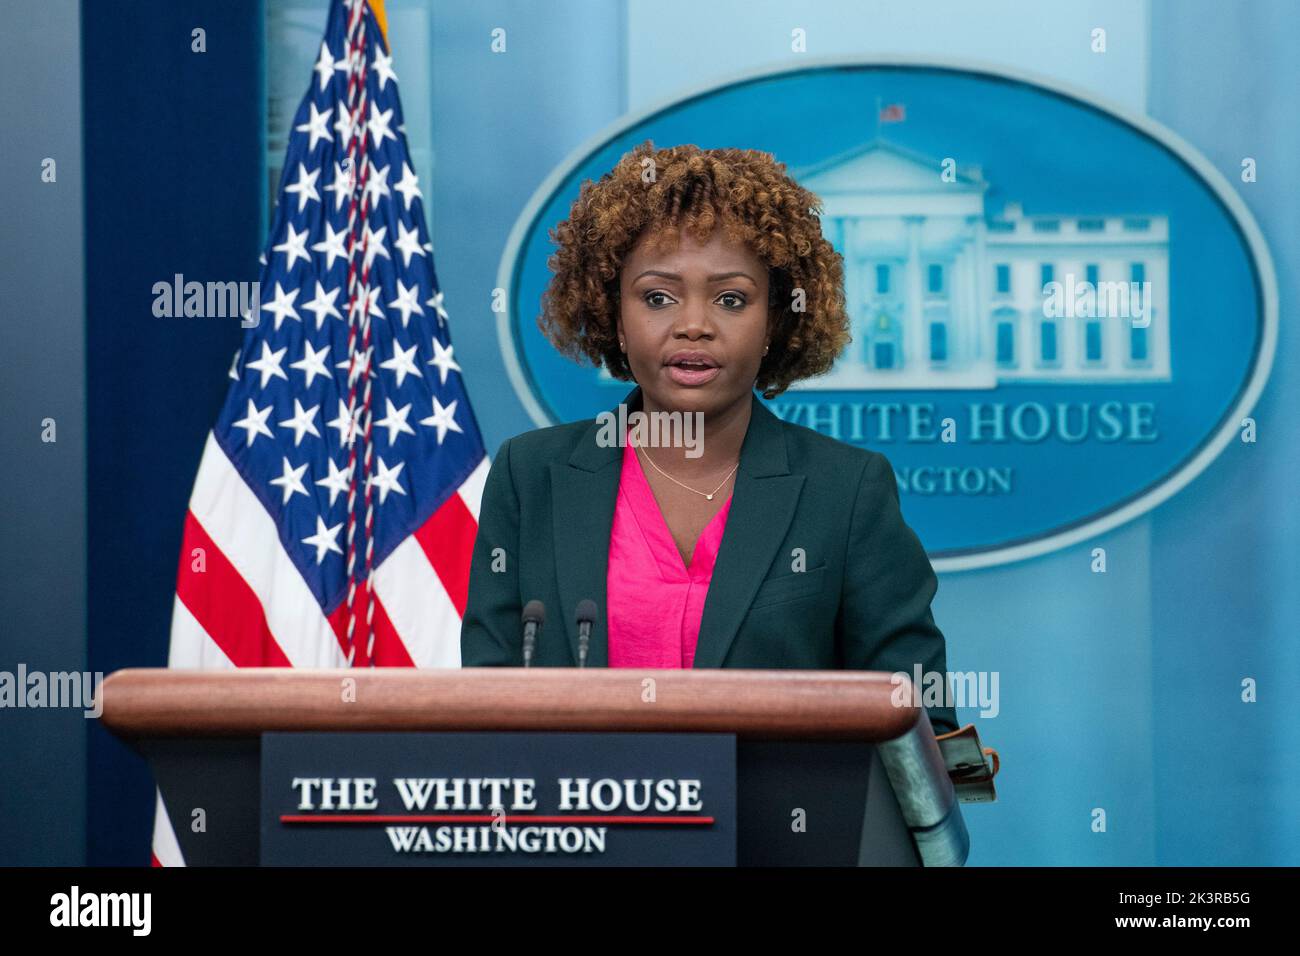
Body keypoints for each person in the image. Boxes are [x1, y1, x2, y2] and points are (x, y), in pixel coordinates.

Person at [461, 141, 958, 735]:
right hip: (581, 828)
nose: (694, 324)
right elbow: (484, 713)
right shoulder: (530, 476)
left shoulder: (846, 491)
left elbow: (921, 723)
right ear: (614, 317)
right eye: (657, 297)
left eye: (730, 299)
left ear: (774, 319)